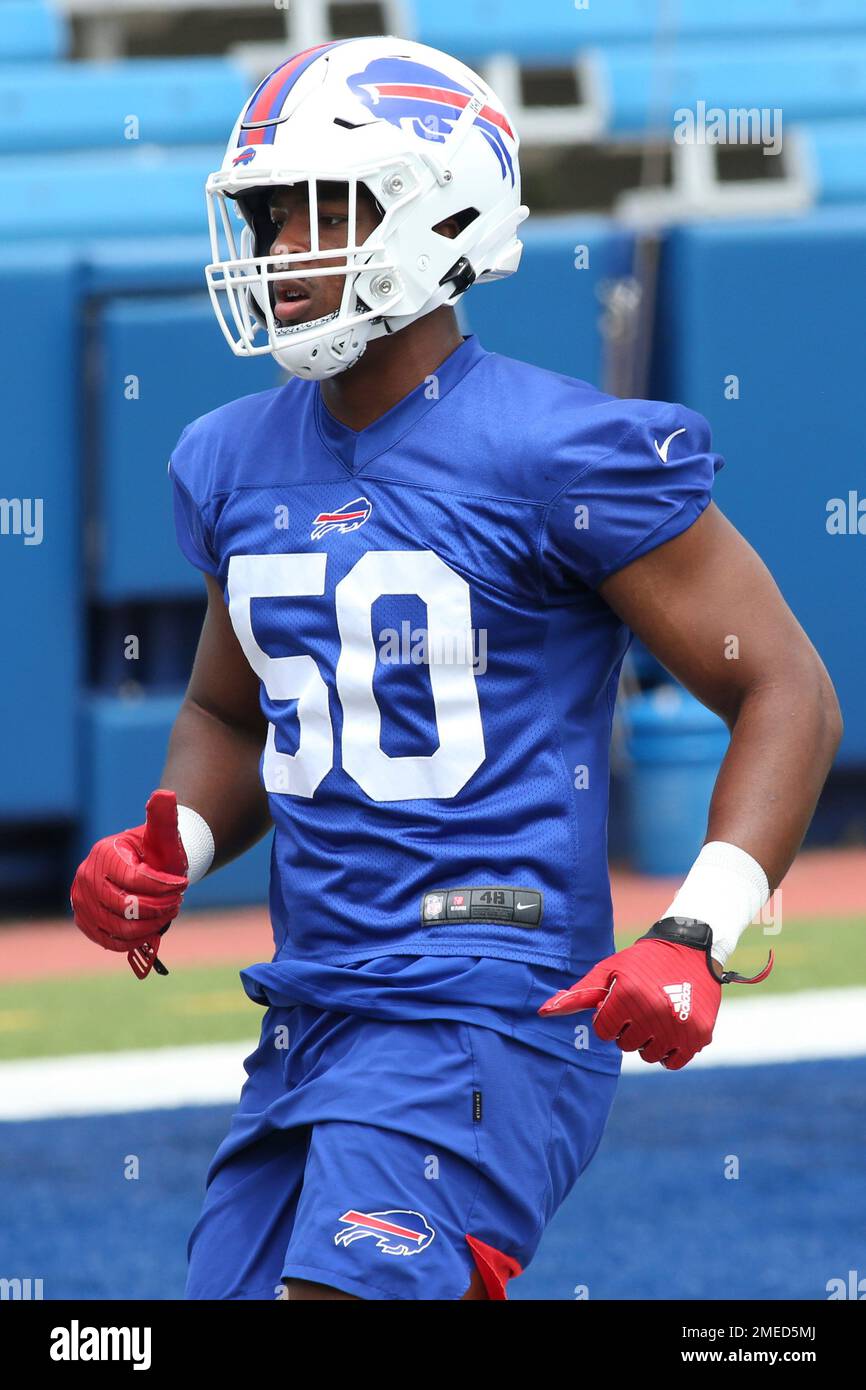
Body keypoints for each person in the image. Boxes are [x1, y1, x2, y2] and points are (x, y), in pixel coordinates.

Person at [70, 36, 842, 1301]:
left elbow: (784, 691)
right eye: (263, 220)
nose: (276, 254)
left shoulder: (559, 451)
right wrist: (178, 846)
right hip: (310, 1010)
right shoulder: (227, 457)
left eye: (314, 210)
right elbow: (229, 705)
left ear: (432, 208)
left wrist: (695, 929)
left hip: (491, 1008)